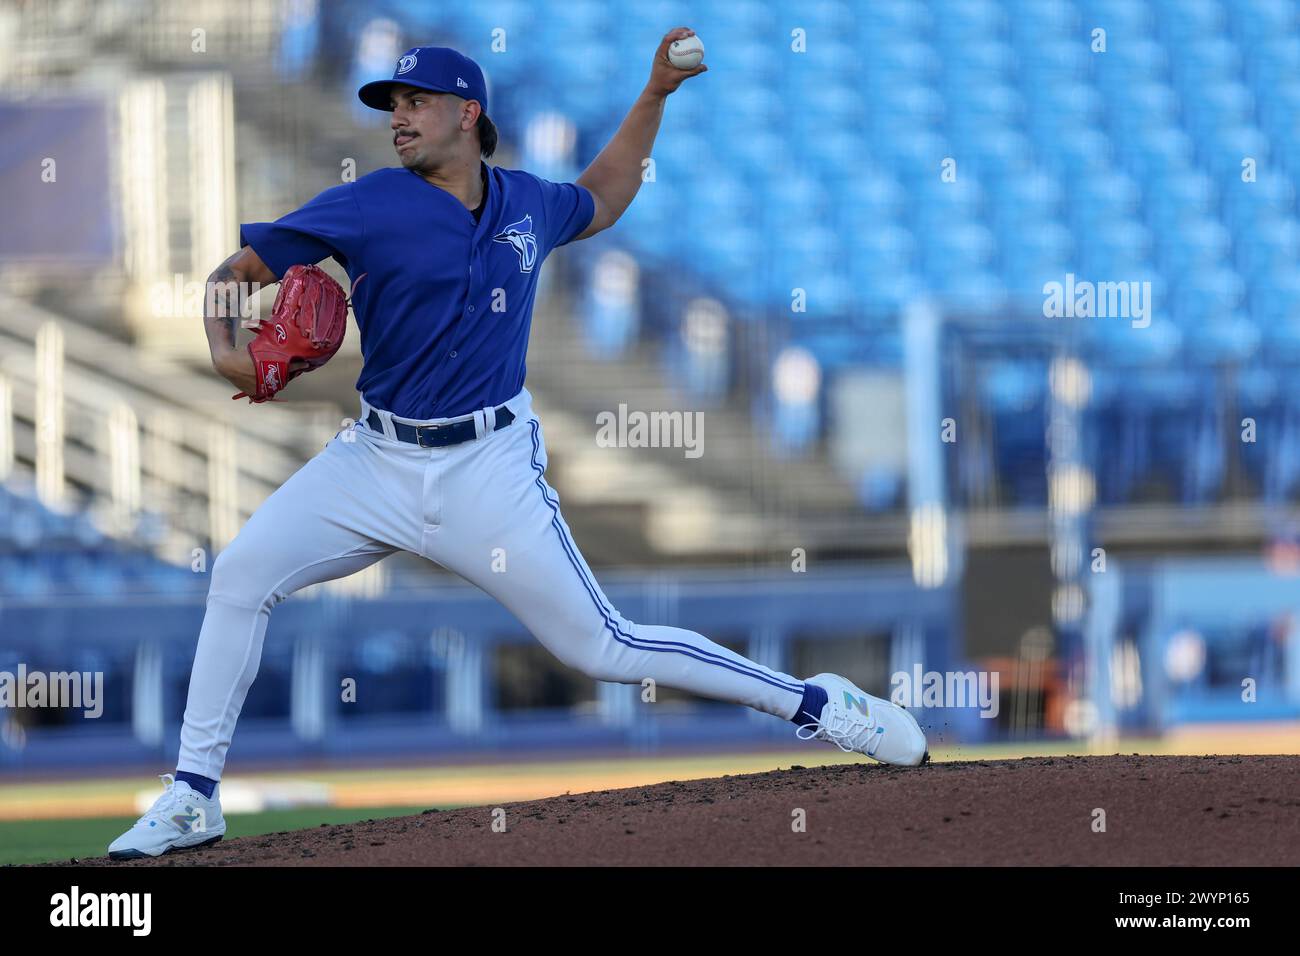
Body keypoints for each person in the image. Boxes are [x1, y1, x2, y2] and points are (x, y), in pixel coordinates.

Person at [108, 28, 926, 861]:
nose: (399, 116)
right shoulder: (368, 202)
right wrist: (222, 347)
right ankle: (192, 796)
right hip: (375, 460)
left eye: (416, 101)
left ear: (469, 113)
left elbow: (605, 196)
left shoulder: (529, 204)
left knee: (601, 646)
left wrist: (654, 96)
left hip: (486, 469)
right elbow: (232, 275)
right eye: (392, 104)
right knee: (241, 575)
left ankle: (819, 706)